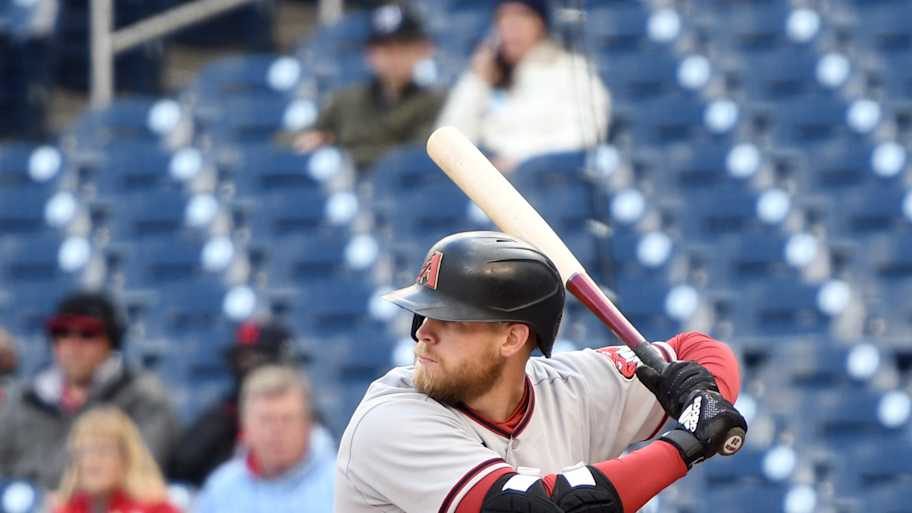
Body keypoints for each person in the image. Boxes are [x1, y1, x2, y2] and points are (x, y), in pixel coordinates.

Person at [335, 231, 747, 513]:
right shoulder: (389, 421)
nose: (423, 332)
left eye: (451, 320)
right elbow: (535, 506)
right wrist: (686, 444)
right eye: (423, 314)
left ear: (512, 338)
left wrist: (702, 396)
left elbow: (698, 349)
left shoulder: (570, 387)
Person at [0, 291, 178, 490]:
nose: (73, 344)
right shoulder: (24, 399)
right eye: (62, 332)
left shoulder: (143, 397)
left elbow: (142, 471)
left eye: (88, 334)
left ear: (111, 342)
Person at [436, 0, 610, 172]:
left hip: (552, 183)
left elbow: (585, 134)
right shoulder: (485, 79)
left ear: (540, 24)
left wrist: (519, 161)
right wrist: (476, 82)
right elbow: (449, 144)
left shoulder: (572, 70)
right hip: (492, 187)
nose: (511, 26)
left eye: (522, 16)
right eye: (503, 17)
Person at [291, 3, 446, 171]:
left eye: (403, 47)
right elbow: (296, 138)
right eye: (385, 49)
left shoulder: (435, 102)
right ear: (370, 53)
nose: (394, 57)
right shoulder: (346, 100)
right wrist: (314, 139)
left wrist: (339, 148)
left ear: (422, 50)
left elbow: (414, 156)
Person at [167, 319, 295, 486]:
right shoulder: (225, 413)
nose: (248, 367)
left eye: (257, 359)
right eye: (241, 360)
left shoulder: (304, 417)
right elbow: (181, 466)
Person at [193, 365, 336, 513]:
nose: (276, 430)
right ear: (245, 428)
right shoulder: (220, 491)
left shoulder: (341, 484)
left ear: (308, 425)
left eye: (287, 419)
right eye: (266, 420)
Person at [53, 407, 181, 513]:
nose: (91, 461)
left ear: (127, 457)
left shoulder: (156, 508)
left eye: (103, 451)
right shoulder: (68, 508)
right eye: (83, 451)